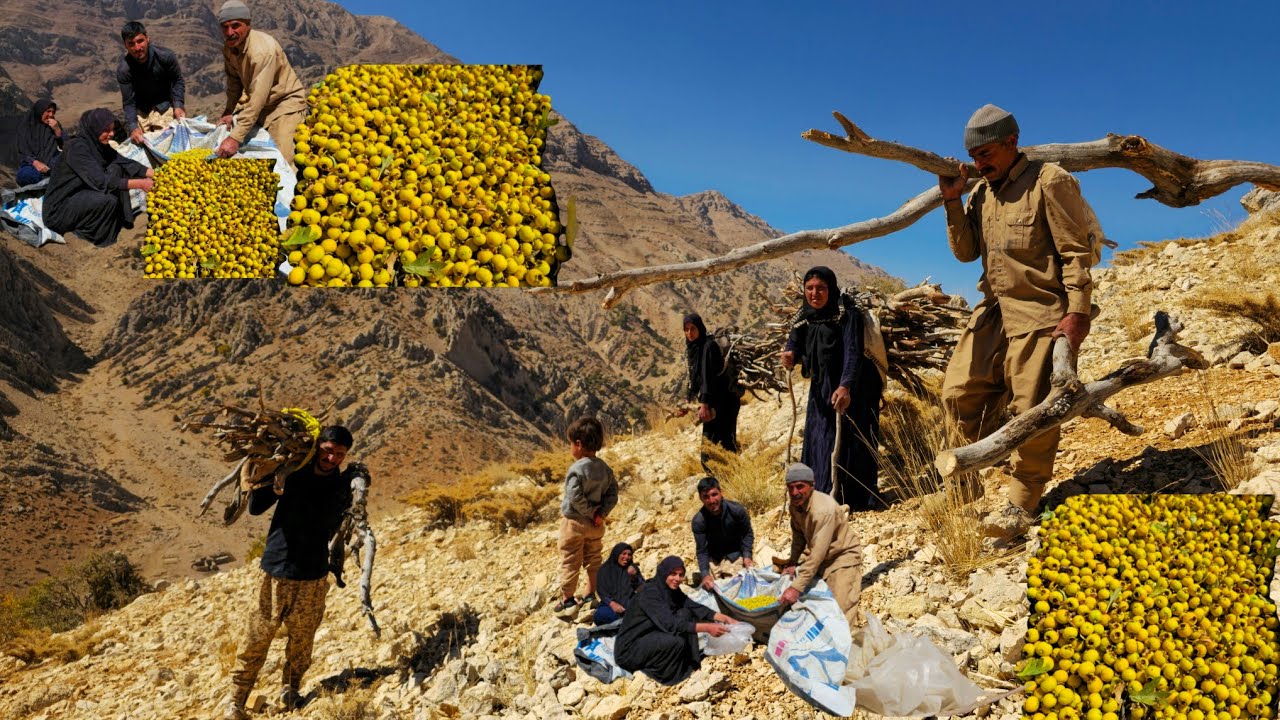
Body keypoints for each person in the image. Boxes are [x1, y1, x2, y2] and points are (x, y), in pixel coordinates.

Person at [936, 104, 1099, 540]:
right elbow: (966, 252)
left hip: (1041, 311)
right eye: (974, 157)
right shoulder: (981, 192)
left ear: (1012, 143)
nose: (979, 164)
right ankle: (965, 483)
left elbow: (1075, 252)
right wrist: (952, 201)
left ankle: (1022, 500)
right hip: (993, 310)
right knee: (957, 392)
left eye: (986, 154)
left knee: (1033, 409)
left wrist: (1077, 313)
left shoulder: (1051, 182)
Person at [223, 426, 355, 720]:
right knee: (256, 639)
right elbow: (256, 507)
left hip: (313, 576)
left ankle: (290, 691)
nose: (332, 458)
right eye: (328, 450)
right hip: (276, 571)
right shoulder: (292, 471)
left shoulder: (341, 484)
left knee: (302, 641)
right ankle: (235, 700)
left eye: (339, 454)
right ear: (319, 446)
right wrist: (273, 483)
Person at [780, 267, 886, 510]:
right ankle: (822, 494)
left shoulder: (846, 314)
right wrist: (790, 354)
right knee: (820, 438)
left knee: (853, 439)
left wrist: (846, 386)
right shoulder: (803, 315)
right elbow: (793, 341)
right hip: (821, 387)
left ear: (831, 288)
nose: (814, 293)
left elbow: (853, 352)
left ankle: (856, 498)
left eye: (821, 288)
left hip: (855, 386)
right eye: (809, 288)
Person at [614, 556, 738, 685]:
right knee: (675, 642)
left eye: (680, 575)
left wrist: (725, 618)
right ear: (663, 573)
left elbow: (693, 606)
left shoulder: (670, 590)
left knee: (685, 613)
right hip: (630, 649)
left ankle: (692, 663)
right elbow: (670, 624)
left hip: (651, 634)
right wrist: (708, 627)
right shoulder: (650, 593)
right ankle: (667, 676)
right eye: (673, 574)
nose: (677, 579)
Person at [42, 109, 153, 247]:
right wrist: (141, 184)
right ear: (94, 130)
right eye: (106, 130)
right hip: (59, 209)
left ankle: (119, 220)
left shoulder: (97, 144)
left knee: (117, 168)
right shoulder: (77, 149)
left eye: (112, 130)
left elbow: (122, 161)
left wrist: (153, 173)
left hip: (80, 193)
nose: (111, 134)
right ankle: (96, 236)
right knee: (108, 201)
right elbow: (101, 182)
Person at [215, 0, 308, 164]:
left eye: (235, 25)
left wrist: (235, 138)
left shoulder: (261, 51)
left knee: (283, 159)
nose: (230, 32)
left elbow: (258, 96)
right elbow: (234, 83)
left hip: (284, 105)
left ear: (248, 24)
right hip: (260, 106)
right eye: (225, 27)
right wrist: (228, 111)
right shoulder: (230, 47)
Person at [778, 463, 864, 629]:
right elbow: (798, 537)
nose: (795, 493)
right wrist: (792, 562)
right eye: (791, 488)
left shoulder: (823, 510)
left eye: (800, 487)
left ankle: (844, 647)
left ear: (811, 485)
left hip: (841, 556)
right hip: (820, 555)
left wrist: (796, 588)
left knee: (840, 611)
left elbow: (817, 554)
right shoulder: (795, 505)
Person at [554, 416, 619, 613]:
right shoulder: (605, 468)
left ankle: (568, 599)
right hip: (596, 525)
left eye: (570, 444)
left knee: (570, 559)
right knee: (594, 558)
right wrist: (601, 513)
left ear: (579, 445)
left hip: (574, 522)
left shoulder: (576, 469)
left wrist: (589, 512)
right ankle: (590, 593)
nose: (570, 448)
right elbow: (613, 493)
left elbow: (574, 495)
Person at [682, 313, 740, 464]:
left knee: (722, 449)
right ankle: (723, 481)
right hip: (715, 402)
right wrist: (687, 399)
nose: (689, 333)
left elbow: (708, 378)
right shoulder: (695, 349)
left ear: (700, 328)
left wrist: (704, 404)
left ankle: (734, 481)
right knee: (712, 451)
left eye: (692, 329)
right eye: (686, 329)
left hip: (725, 403)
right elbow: (695, 377)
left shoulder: (707, 347)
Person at [117, 20, 187, 145]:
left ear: (147, 38)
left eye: (140, 41)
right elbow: (128, 102)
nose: (137, 48)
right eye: (131, 44)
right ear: (125, 46)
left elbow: (177, 81)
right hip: (141, 111)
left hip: (165, 106)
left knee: (171, 142)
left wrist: (178, 105)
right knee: (139, 144)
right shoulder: (124, 70)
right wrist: (133, 127)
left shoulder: (165, 56)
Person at [690, 476, 754, 591]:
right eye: (706, 497)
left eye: (714, 495)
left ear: (721, 493)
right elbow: (702, 550)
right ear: (701, 498)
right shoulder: (699, 521)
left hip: (735, 555)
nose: (711, 500)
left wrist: (747, 556)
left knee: (740, 586)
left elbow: (747, 534)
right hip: (714, 559)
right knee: (712, 589)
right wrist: (705, 574)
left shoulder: (737, 510)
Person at [593, 542, 644, 625]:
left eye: (629, 555)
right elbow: (602, 591)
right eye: (623, 554)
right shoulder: (605, 570)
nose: (626, 557)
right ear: (617, 554)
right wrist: (612, 604)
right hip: (610, 606)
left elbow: (642, 589)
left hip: (629, 605)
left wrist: (634, 577)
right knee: (600, 615)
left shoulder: (632, 569)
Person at [15, 99, 63, 186]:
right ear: (39, 111)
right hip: (32, 166)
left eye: (53, 112)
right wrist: (35, 163)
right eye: (48, 111)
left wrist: (58, 131)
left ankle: (51, 179)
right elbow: (23, 152)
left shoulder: (55, 126)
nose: (51, 115)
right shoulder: (26, 127)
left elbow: (67, 147)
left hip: (53, 164)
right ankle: (49, 180)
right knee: (24, 175)